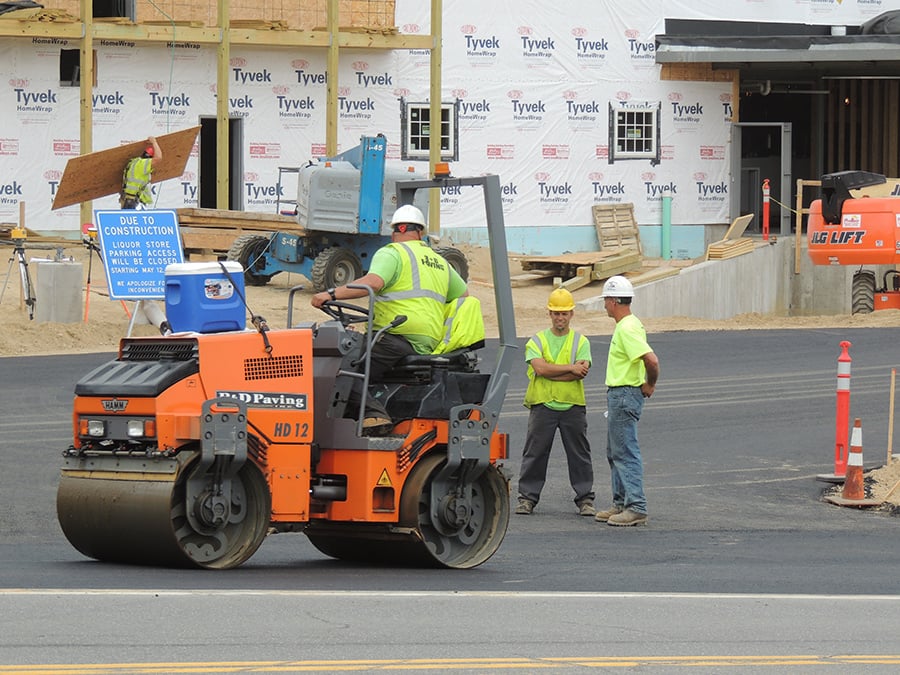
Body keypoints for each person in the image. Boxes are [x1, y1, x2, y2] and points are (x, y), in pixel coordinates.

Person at [310, 204, 468, 435]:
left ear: (396, 231)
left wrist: (330, 294)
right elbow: (463, 295)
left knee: (338, 365)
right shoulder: (439, 262)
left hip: (395, 335)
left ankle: (373, 415)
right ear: (420, 233)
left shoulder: (392, 252)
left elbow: (373, 283)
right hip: (428, 340)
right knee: (357, 359)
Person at [515, 287, 596, 517]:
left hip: (572, 406)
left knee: (579, 454)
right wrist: (570, 368)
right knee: (535, 453)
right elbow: (539, 368)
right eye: (556, 313)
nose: (560, 317)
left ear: (571, 314)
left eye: (564, 313)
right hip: (543, 404)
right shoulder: (537, 341)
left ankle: (585, 499)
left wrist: (552, 372)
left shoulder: (581, 341)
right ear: (549, 313)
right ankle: (527, 498)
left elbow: (579, 373)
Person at [595, 275, 659, 527]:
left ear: (613, 300)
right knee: (615, 452)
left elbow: (651, 360)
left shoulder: (627, 328)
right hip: (621, 394)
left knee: (624, 452)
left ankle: (636, 506)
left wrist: (650, 383)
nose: (604, 305)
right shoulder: (629, 325)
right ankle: (621, 502)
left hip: (624, 393)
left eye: (605, 300)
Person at [120, 136, 162, 209]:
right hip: (134, 203)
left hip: (128, 200)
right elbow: (158, 158)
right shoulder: (143, 164)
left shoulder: (134, 162)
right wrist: (154, 142)